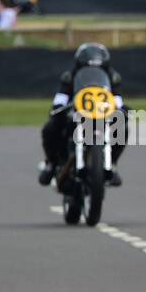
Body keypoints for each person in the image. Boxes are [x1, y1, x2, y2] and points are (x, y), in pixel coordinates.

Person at [38, 43, 128, 188]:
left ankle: (111, 163)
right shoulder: (69, 77)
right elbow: (61, 97)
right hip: (75, 114)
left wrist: (121, 109)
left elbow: (117, 99)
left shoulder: (112, 77)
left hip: (101, 114)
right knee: (50, 128)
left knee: (122, 126)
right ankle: (51, 164)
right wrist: (59, 107)